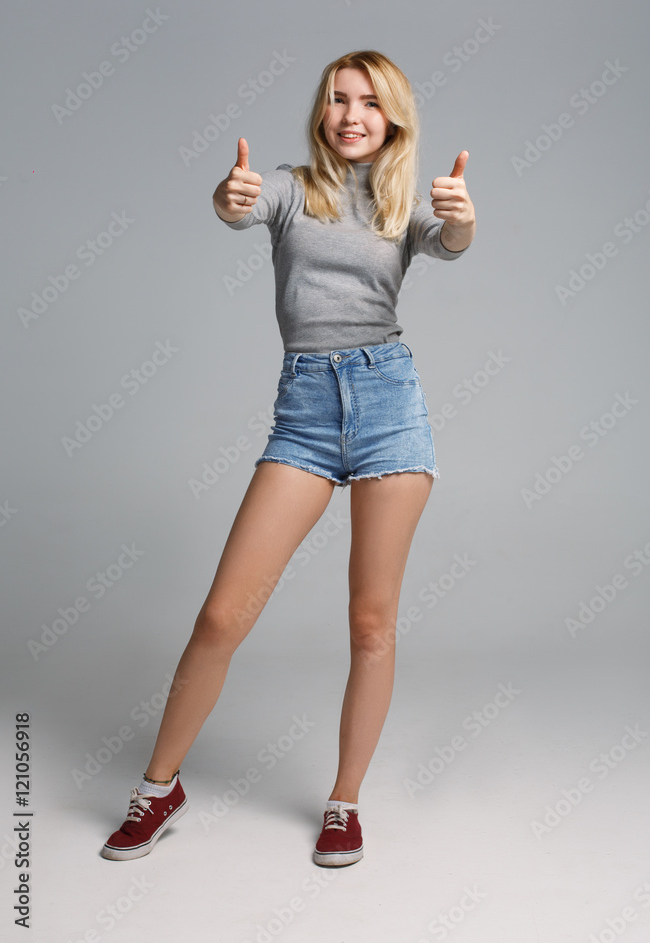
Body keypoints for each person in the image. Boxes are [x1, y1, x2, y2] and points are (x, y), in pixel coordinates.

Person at [102, 49, 476, 866]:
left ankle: (343, 804)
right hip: (304, 413)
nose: (350, 115)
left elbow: (449, 244)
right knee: (220, 615)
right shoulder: (285, 185)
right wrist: (223, 194)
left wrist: (460, 215)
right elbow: (236, 207)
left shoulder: (405, 201)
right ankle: (159, 788)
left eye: (369, 104)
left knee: (370, 623)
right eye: (338, 100)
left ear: (393, 119)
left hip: (388, 406)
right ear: (321, 110)